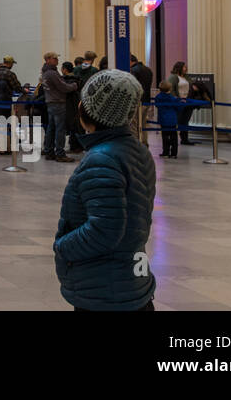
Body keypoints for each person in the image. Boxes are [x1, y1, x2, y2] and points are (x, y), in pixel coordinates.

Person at [53, 69, 156, 311]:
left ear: (88, 110)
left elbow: (104, 230)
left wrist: (62, 246)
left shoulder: (102, 158)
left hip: (105, 289)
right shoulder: (137, 150)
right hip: (129, 281)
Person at [40, 52, 78, 161]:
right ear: (48, 59)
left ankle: (49, 151)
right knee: (60, 129)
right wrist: (74, 86)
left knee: (51, 128)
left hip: (51, 102)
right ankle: (60, 154)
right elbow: (63, 87)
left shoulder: (46, 72)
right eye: (54, 58)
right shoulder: (52, 73)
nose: (57, 60)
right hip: (58, 102)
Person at [154, 79, 184, 158]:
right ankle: (174, 153)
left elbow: (157, 105)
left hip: (163, 119)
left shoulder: (158, 97)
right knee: (173, 136)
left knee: (164, 136)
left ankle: (165, 152)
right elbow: (178, 108)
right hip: (172, 120)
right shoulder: (173, 98)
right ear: (170, 89)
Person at [167, 62, 193, 144]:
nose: (186, 68)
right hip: (178, 102)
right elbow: (171, 90)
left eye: (186, 67)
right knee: (177, 120)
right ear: (179, 67)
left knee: (185, 121)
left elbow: (191, 86)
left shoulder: (187, 77)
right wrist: (177, 99)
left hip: (187, 101)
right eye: (184, 67)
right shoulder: (173, 77)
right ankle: (172, 139)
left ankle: (185, 139)